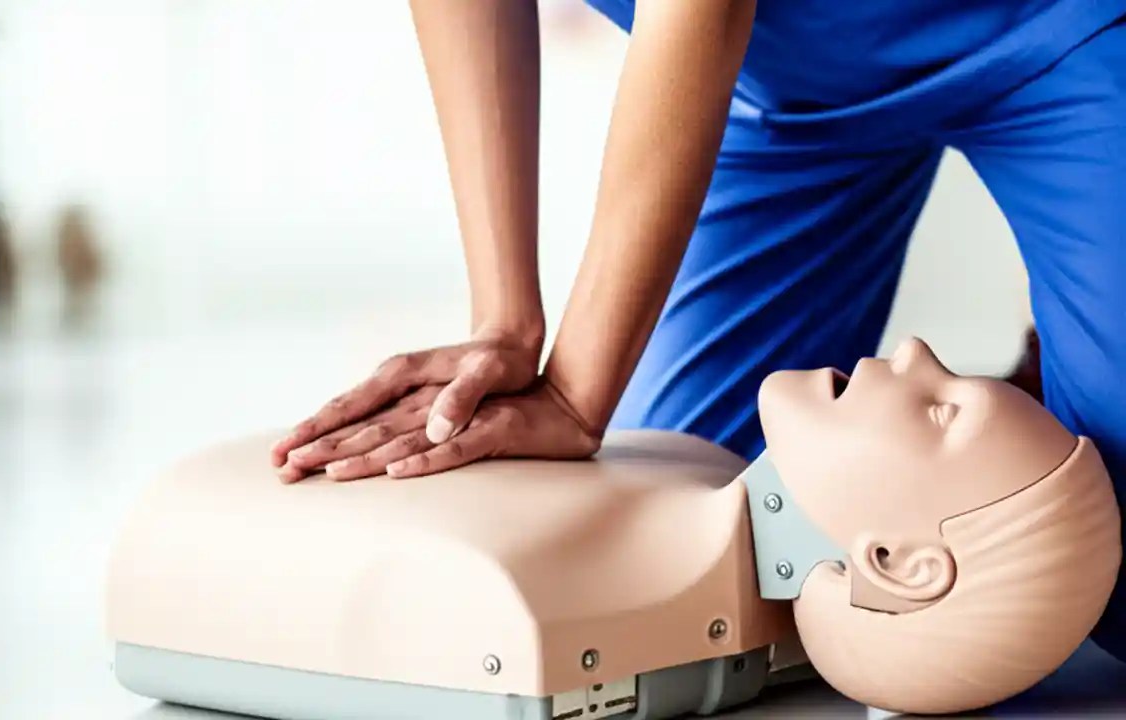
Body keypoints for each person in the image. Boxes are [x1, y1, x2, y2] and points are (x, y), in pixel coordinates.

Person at [272, 1, 1126, 659]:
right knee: (676, 544)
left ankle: (1047, 373)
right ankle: (1037, 391)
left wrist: (575, 393)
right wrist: (503, 318)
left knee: (1119, 595)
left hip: (1052, 32)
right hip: (791, 92)